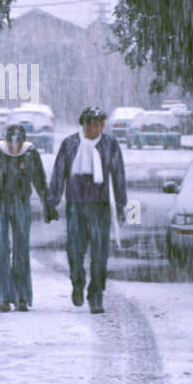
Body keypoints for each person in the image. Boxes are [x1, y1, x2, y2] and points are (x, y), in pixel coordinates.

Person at [46, 106, 127, 314]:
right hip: (76, 205)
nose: (97, 128)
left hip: (100, 206)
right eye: (93, 124)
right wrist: (52, 202)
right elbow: (59, 172)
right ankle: (77, 282)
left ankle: (96, 294)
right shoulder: (70, 144)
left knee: (100, 254)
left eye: (101, 124)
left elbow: (118, 175)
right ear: (84, 124)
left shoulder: (110, 145)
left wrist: (121, 204)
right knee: (74, 251)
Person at [0, 123, 49, 311]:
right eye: (12, 142)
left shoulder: (30, 153)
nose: (15, 147)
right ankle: (3, 297)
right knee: (1, 249)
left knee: (21, 249)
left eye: (18, 143)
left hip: (21, 204)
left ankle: (22, 296)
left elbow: (40, 180)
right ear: (6, 140)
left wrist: (48, 204)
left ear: (23, 141)